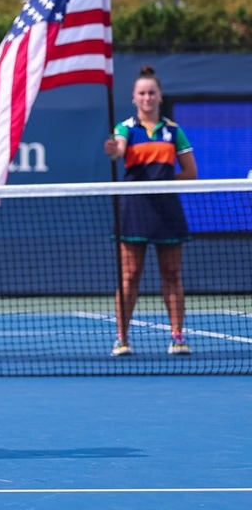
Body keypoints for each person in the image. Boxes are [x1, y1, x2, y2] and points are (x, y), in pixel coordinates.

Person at [103, 64, 197, 357]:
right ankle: (121, 338)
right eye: (141, 93)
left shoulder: (173, 131)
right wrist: (114, 150)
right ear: (134, 97)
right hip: (135, 209)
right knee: (129, 276)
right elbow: (119, 150)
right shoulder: (125, 129)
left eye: (151, 93)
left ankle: (178, 336)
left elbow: (190, 172)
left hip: (167, 209)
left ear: (159, 96)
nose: (147, 98)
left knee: (171, 274)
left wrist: (163, 186)